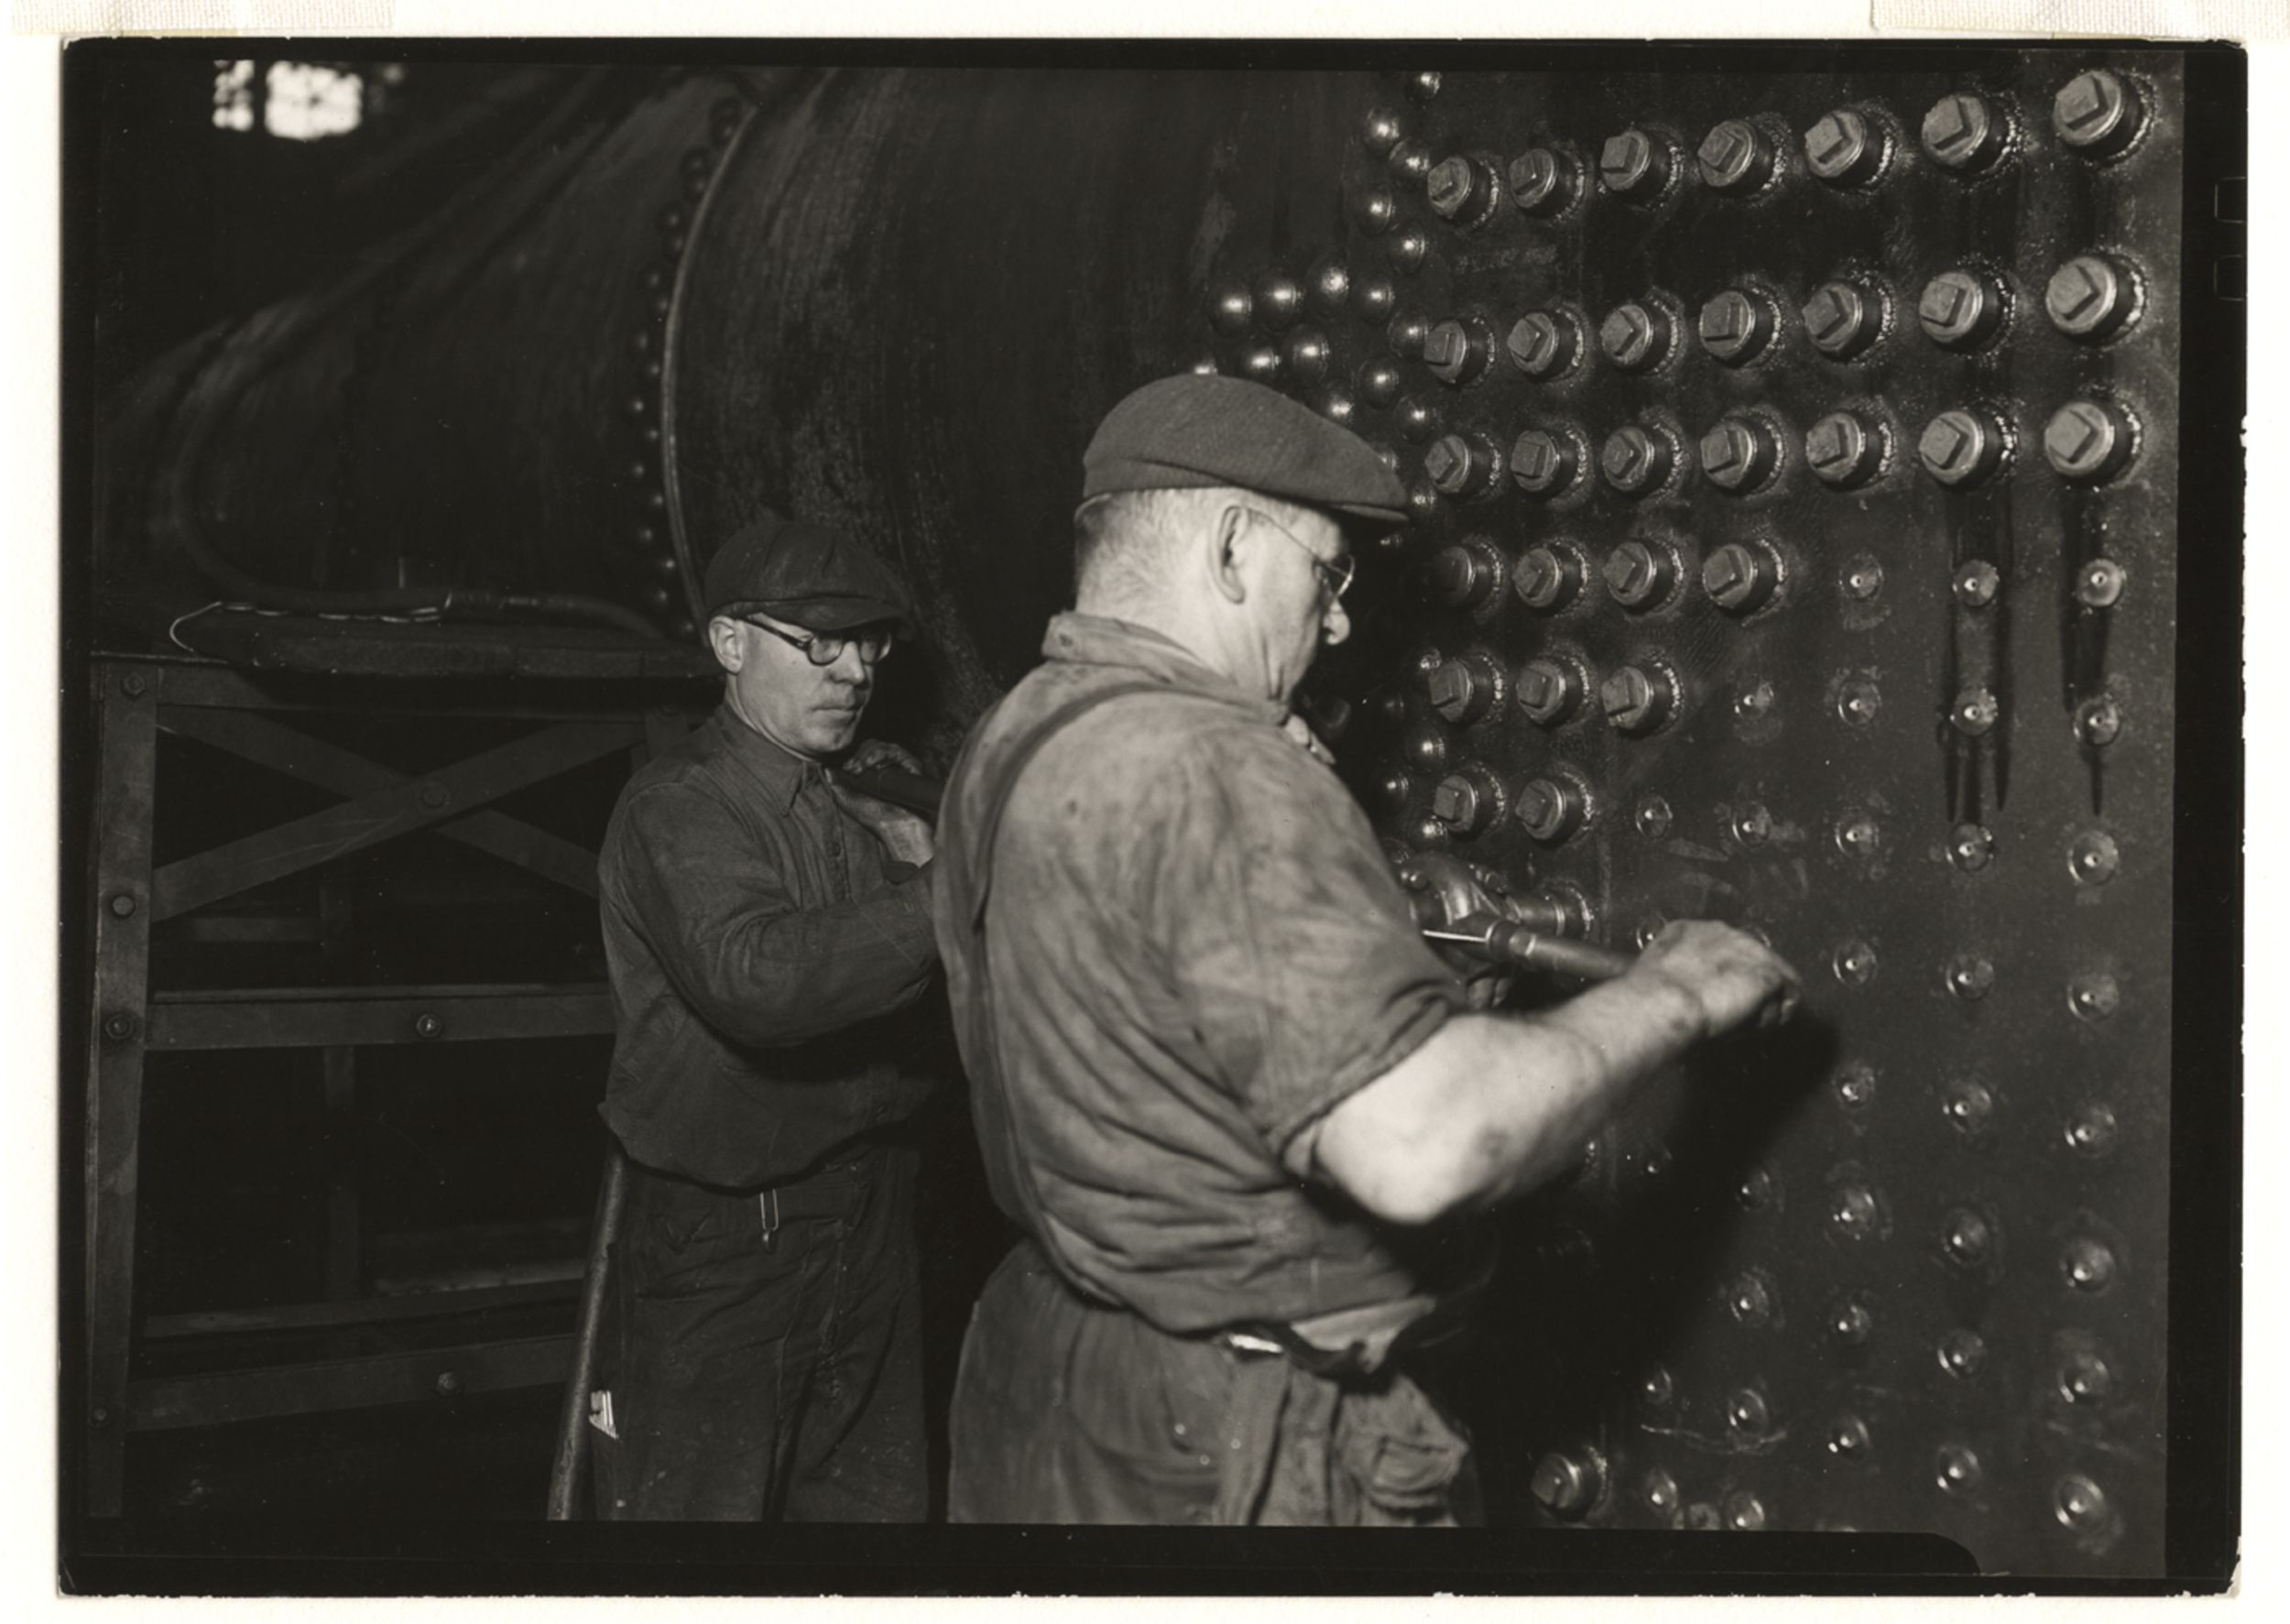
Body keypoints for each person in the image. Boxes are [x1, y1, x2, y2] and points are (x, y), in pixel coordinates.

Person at [931, 374, 1802, 1526]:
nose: (1337, 620)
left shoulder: (1021, 733)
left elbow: (1148, 1036)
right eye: (1326, 572)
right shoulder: (1210, 766)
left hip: (1061, 1379)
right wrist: (1677, 995)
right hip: (1231, 1444)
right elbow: (1424, 1144)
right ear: (1234, 545)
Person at [591, 513, 944, 1521]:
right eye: (818, 645)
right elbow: (758, 982)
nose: (854, 673)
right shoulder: (682, 805)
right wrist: (952, 889)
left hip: (872, 1218)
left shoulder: (861, 800)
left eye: (869, 644)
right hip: (725, 1244)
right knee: (694, 1549)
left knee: (867, 1538)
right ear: (731, 644)